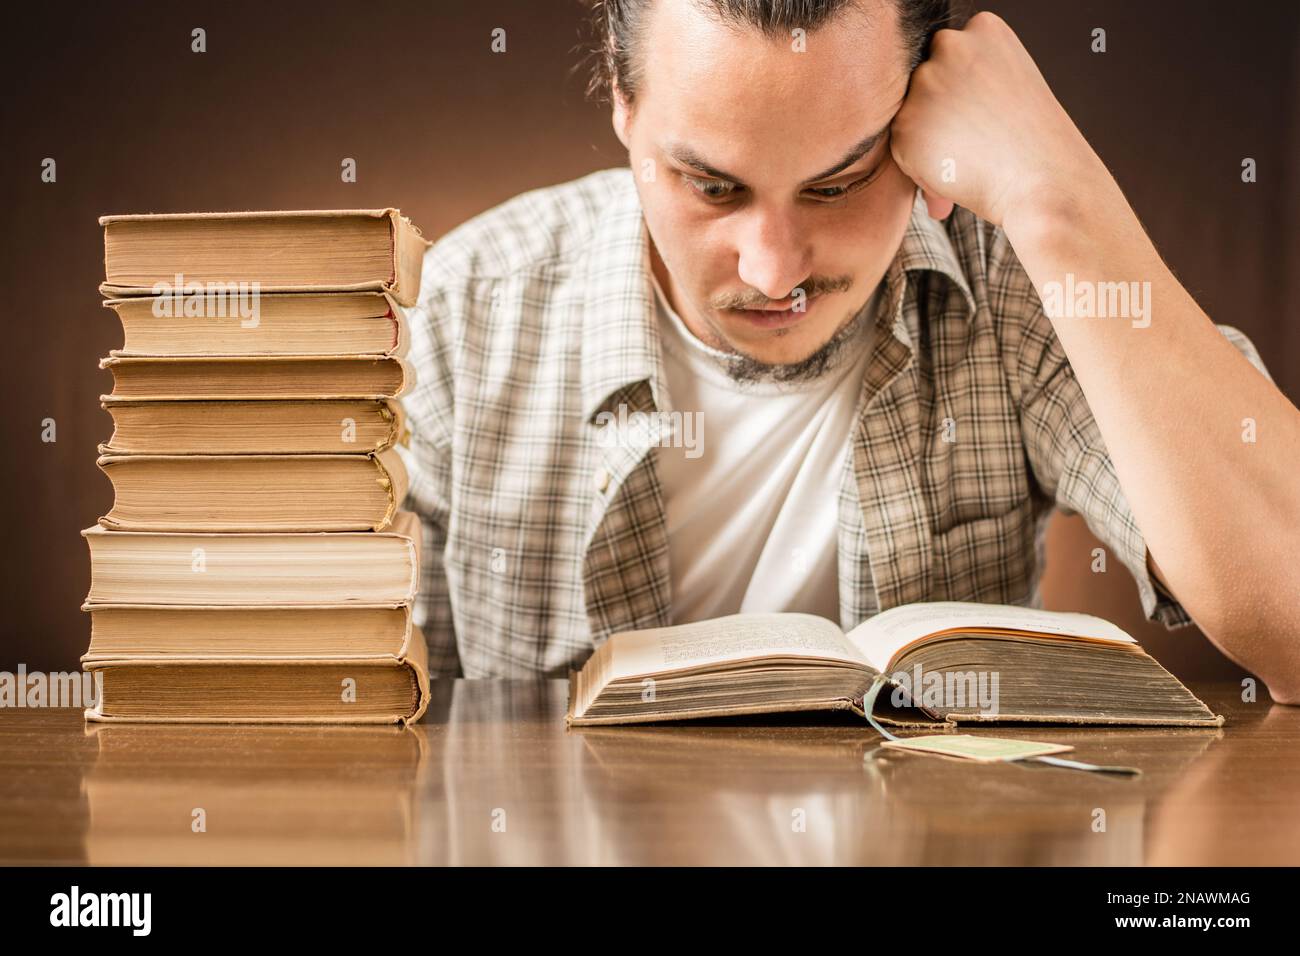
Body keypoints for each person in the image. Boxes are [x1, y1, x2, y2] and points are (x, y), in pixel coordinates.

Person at [396, 0, 1300, 704]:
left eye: (838, 183)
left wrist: (1055, 195)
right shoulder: (464, 317)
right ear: (622, 100)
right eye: (713, 186)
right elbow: (391, 745)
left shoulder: (1014, 283)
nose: (773, 269)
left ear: (928, 111)